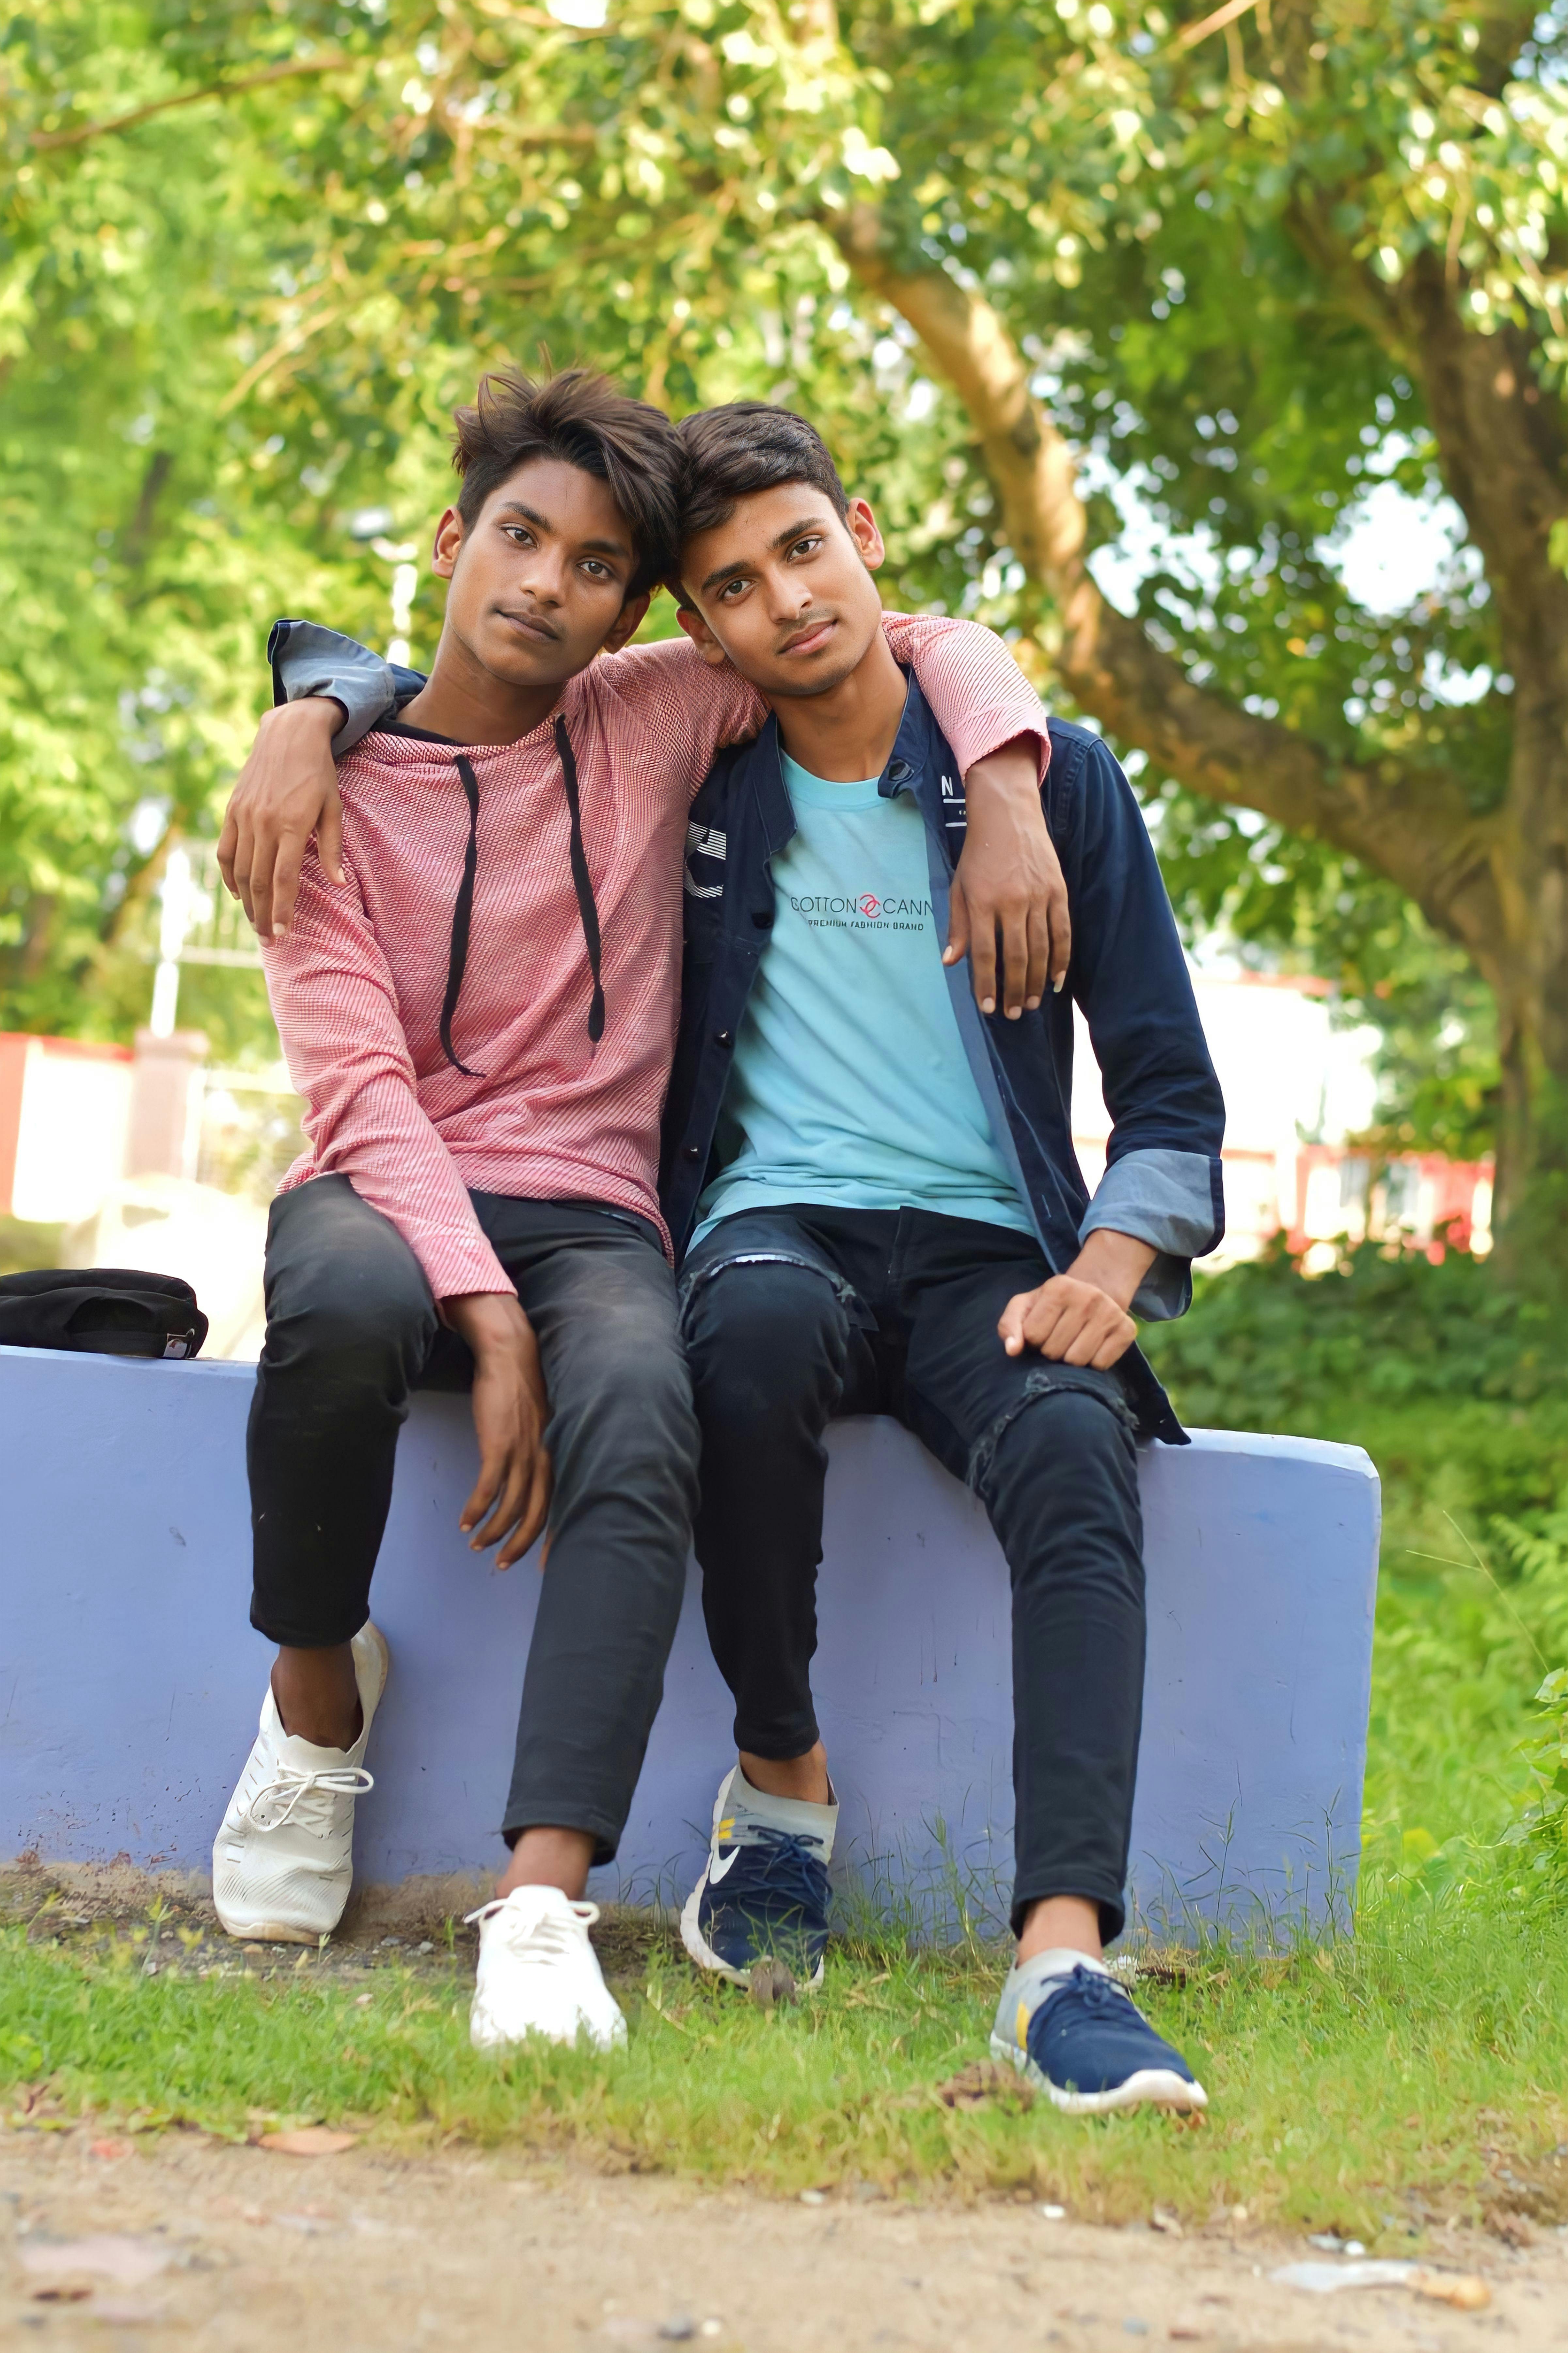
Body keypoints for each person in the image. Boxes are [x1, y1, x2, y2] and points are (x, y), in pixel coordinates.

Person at [214, 366, 1067, 2054]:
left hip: (599, 1204)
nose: (547, 581)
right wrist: (481, 1308)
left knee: (640, 1392)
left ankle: (541, 1901)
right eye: (520, 538)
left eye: (598, 565)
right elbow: (359, 1092)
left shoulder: (656, 712)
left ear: (628, 611)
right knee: (336, 1308)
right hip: (385, 1179)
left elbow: (922, 635)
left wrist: (1017, 785)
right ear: (455, 542)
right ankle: (318, 1707)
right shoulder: (314, 792)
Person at [655, 404, 1226, 2114]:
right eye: (732, 586)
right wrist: (319, 706)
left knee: (1072, 1438)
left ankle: (1061, 1962)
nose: (783, 600)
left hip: (995, 1248)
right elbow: (482, 703)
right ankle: (778, 1796)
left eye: (802, 548)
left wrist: (1110, 1271)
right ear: (701, 628)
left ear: (867, 536)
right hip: (785, 1225)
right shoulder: (698, 789)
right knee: (741, 1339)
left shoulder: (1055, 785)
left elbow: (1170, 1092)